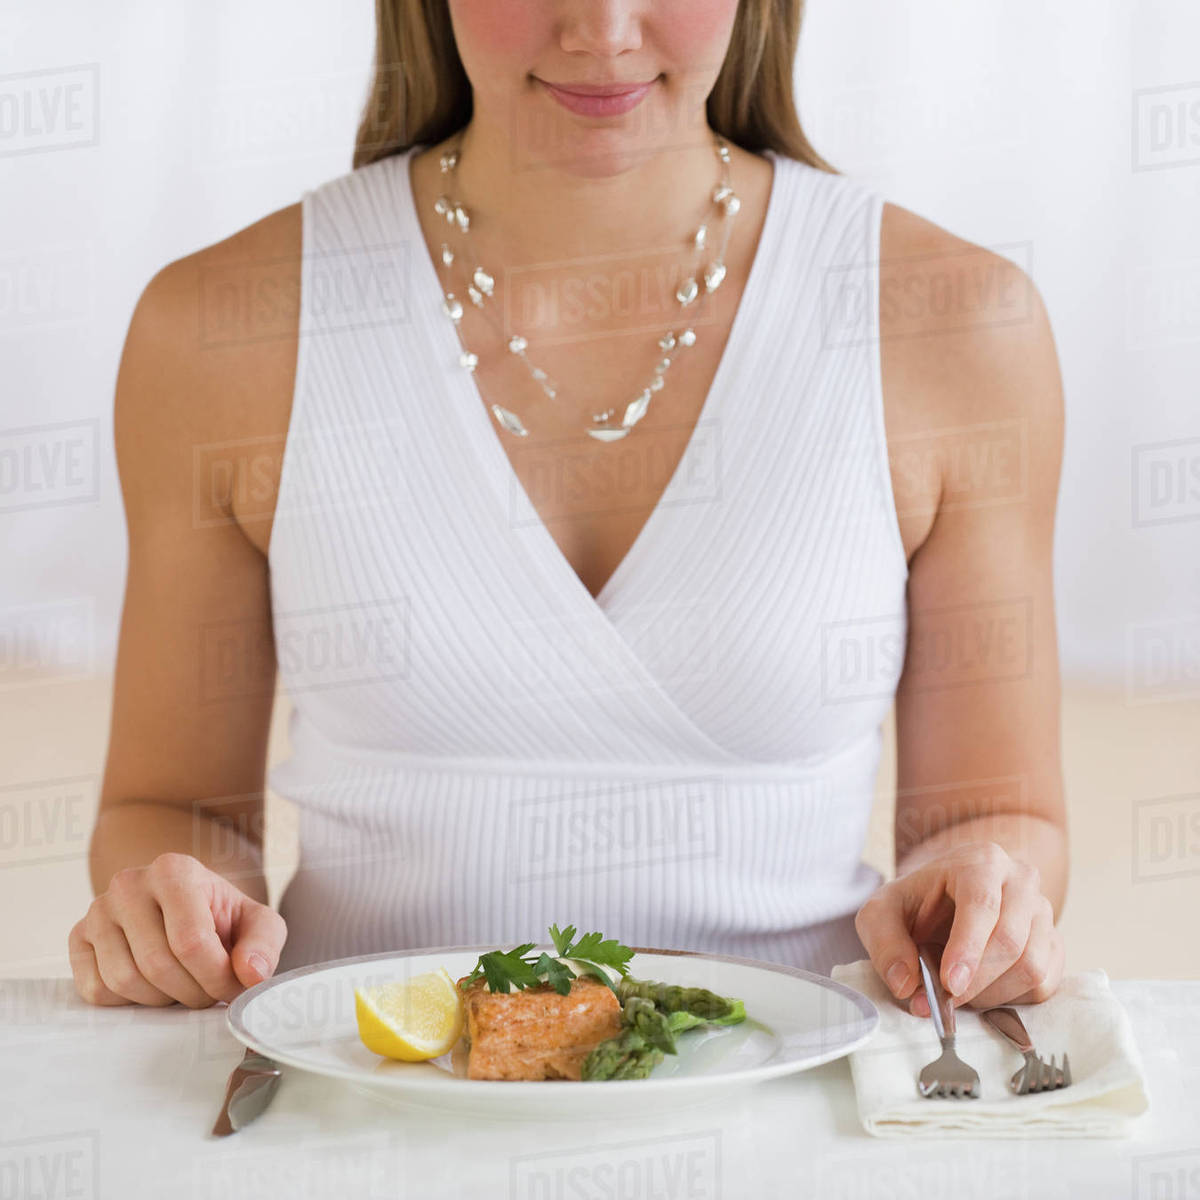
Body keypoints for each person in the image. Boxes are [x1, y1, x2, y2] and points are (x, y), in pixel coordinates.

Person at [71, 0, 1067, 1020]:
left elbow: (997, 815)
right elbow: (171, 808)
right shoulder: (217, 332)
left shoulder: (957, 325)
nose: (604, 28)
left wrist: (982, 894)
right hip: (368, 1104)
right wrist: (185, 910)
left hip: (796, 1105)